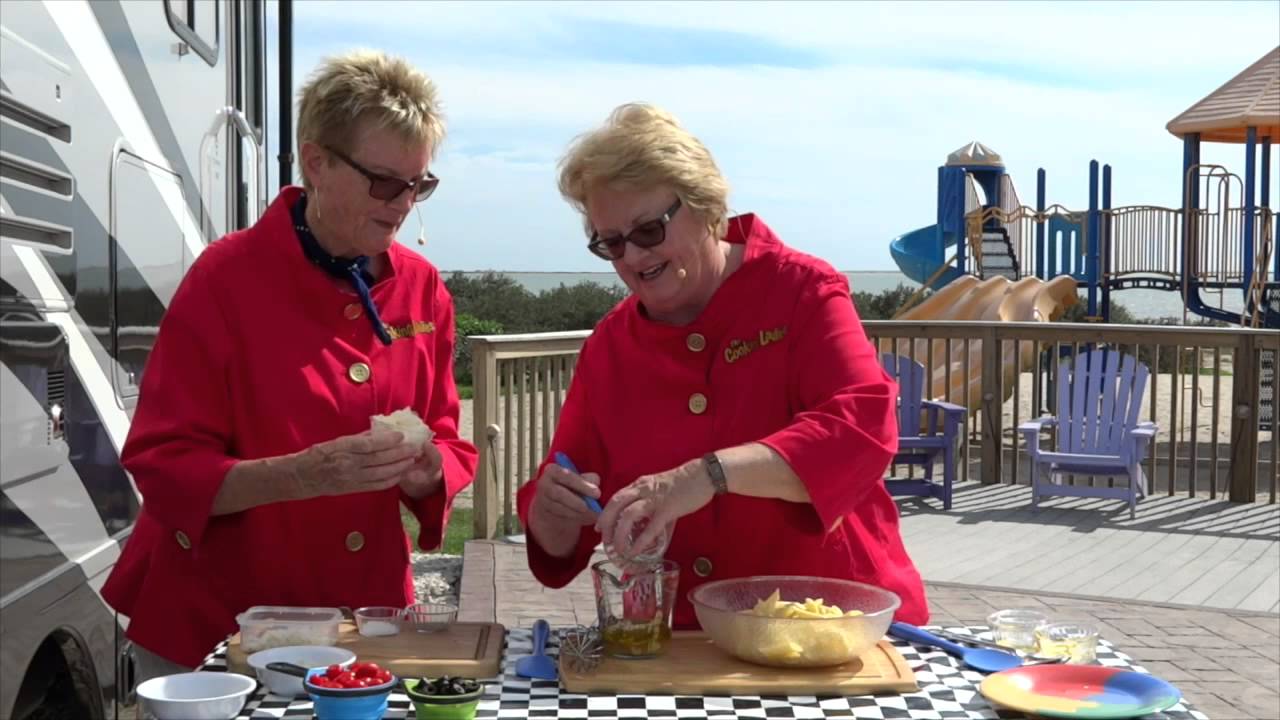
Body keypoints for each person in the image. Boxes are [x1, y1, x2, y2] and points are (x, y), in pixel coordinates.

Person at [101, 50, 478, 680]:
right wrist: (304, 474)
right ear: (317, 163)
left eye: (420, 184)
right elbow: (164, 466)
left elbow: (446, 434)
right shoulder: (225, 279)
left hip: (363, 614)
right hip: (218, 622)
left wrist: (426, 469)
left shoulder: (424, 289)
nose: (404, 203)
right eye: (386, 182)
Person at [516, 103, 928, 628]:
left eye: (648, 231)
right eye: (611, 243)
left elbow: (861, 428)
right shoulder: (610, 345)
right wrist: (549, 511)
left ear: (707, 207)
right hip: (682, 640)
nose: (634, 258)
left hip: (838, 631)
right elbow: (566, 511)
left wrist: (705, 476)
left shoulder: (802, 291)